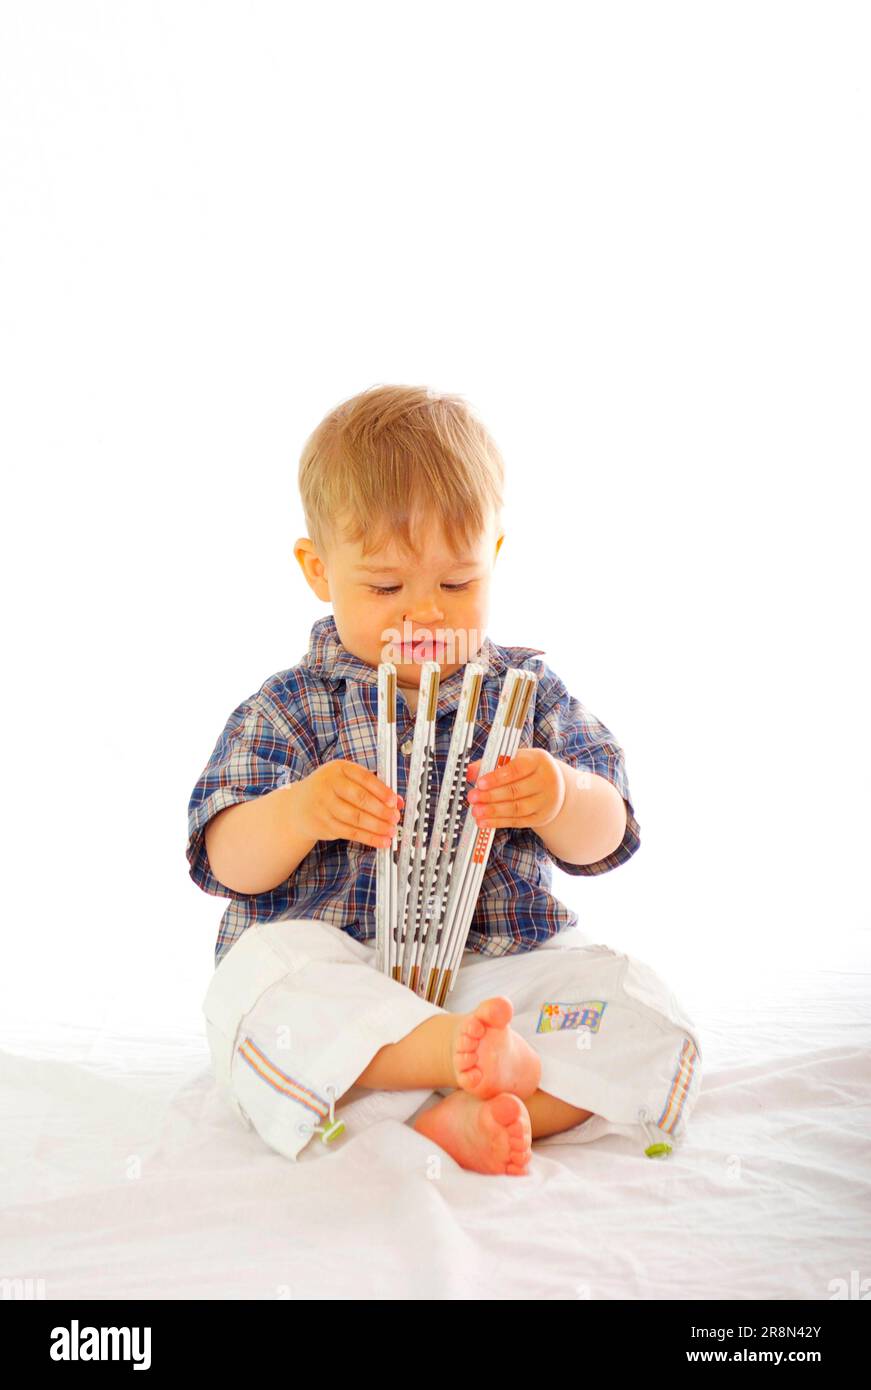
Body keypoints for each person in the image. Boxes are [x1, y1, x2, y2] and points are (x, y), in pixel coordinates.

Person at [186, 384, 702, 1175]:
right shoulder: (293, 704)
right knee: (258, 985)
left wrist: (562, 795)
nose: (423, 613)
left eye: (455, 584)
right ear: (317, 570)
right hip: (350, 980)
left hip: (497, 975)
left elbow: (608, 832)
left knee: (636, 1007)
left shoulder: (523, 693)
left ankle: (477, 1103)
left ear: (493, 556)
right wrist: (297, 813)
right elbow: (226, 861)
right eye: (386, 588)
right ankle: (434, 1062)